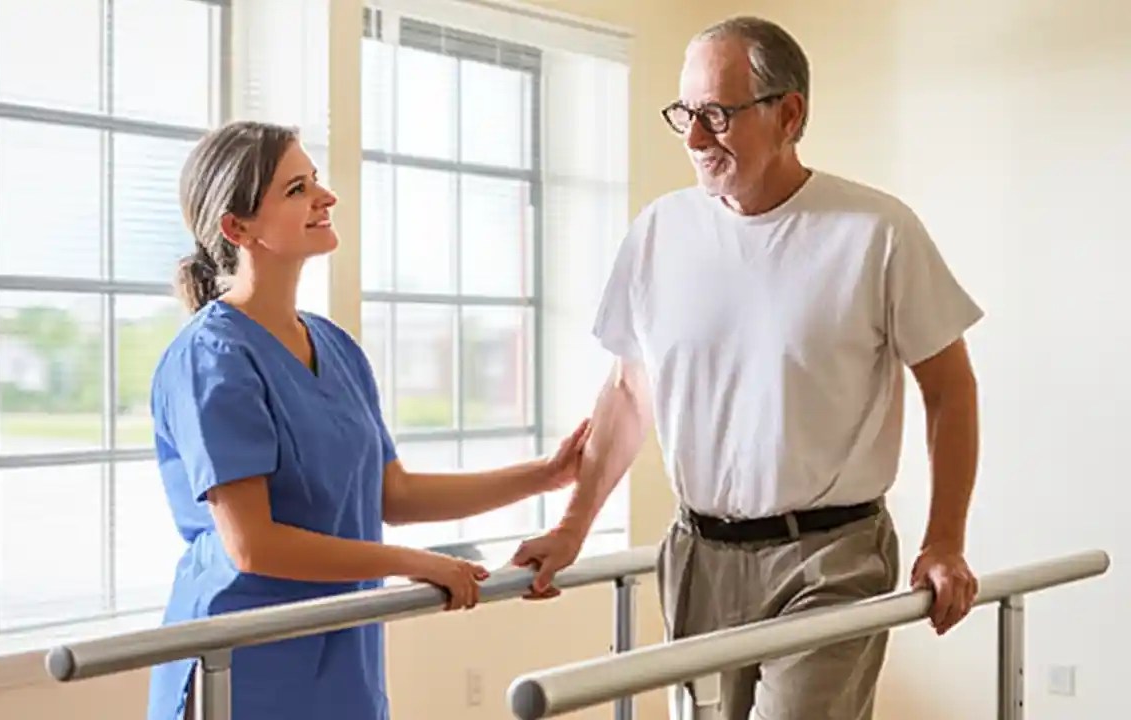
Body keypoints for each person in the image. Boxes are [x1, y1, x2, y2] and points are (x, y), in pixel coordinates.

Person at [510, 15, 982, 720]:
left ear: (789, 114)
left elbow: (948, 388)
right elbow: (629, 391)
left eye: (717, 116)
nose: (695, 139)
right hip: (699, 553)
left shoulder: (876, 231)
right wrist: (574, 526)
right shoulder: (659, 232)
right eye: (686, 115)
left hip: (832, 556)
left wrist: (944, 541)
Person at [146, 120, 591, 720]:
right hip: (246, 657)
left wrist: (544, 475)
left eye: (316, 181)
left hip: (341, 652)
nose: (325, 198)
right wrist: (411, 561)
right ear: (237, 226)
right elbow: (252, 545)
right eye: (297, 189)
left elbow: (393, 493)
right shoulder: (212, 358)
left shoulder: (335, 346)